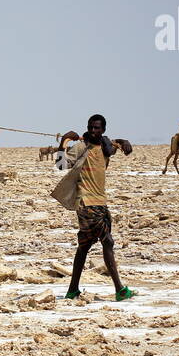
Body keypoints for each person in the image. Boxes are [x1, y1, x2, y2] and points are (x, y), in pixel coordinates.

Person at [59, 115, 134, 301]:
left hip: (101, 201)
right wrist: (63, 141)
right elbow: (60, 165)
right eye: (90, 128)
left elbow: (116, 144)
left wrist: (124, 142)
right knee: (107, 241)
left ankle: (72, 290)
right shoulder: (80, 147)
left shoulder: (106, 147)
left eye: (97, 128)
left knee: (84, 247)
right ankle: (120, 290)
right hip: (86, 202)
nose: (93, 131)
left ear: (103, 130)